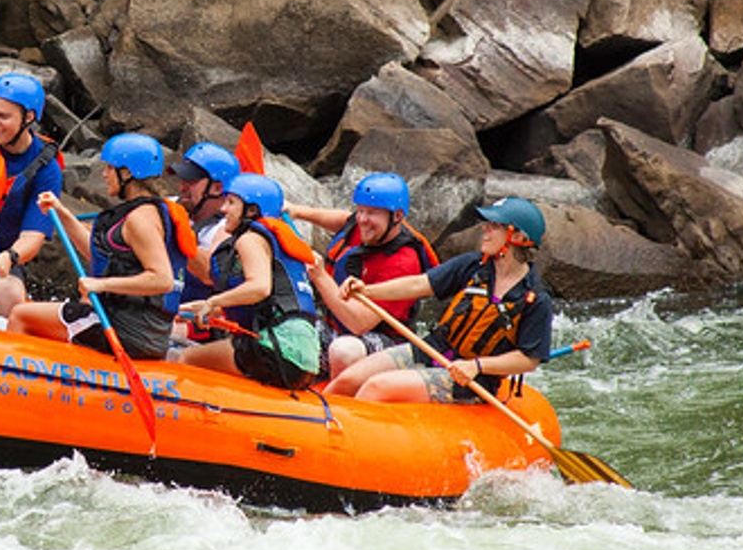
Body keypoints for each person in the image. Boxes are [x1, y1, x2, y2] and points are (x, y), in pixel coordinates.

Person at [324, 197, 553, 403]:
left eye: (494, 226)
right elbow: (418, 284)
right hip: (433, 350)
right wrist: (367, 291)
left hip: (471, 377)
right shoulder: (474, 266)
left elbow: (529, 359)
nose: (485, 230)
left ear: (518, 237)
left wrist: (477, 366)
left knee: (377, 387)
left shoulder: (535, 299)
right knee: (349, 380)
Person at [6, 133, 196, 360]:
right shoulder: (149, 211)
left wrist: (101, 284)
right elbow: (100, 257)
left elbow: (161, 279)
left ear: (126, 173)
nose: (104, 174)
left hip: (126, 329)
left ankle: (16, 383)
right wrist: (62, 213)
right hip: (140, 328)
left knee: (21, 315)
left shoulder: (140, 219)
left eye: (109, 168)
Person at [175, 174, 324, 389]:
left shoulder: (250, 238)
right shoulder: (271, 242)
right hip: (303, 357)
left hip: (276, 349)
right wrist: (202, 308)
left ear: (251, 211)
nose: (224, 209)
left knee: (187, 357)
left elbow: (260, 288)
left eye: (231, 203)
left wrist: (214, 301)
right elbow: (262, 300)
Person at [288, 172, 437, 377]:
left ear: (398, 216)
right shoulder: (372, 226)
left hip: (381, 344)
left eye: (372, 213)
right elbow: (343, 221)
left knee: (343, 350)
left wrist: (320, 277)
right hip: (335, 327)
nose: (362, 220)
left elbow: (357, 323)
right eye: (360, 211)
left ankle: (338, 399)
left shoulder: (403, 262)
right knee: (286, 326)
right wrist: (297, 211)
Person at [0, 72, 64, 316]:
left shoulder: (46, 170)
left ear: (28, 118)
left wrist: (9, 257)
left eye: (3, 116)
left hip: (2, 258)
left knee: (11, 295)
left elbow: (33, 237)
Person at [172, 142, 242, 308]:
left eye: (191, 182)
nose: (182, 187)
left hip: (198, 315)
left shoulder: (229, 226)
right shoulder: (170, 205)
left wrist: (176, 232)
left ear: (217, 188)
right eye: (182, 179)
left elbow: (210, 273)